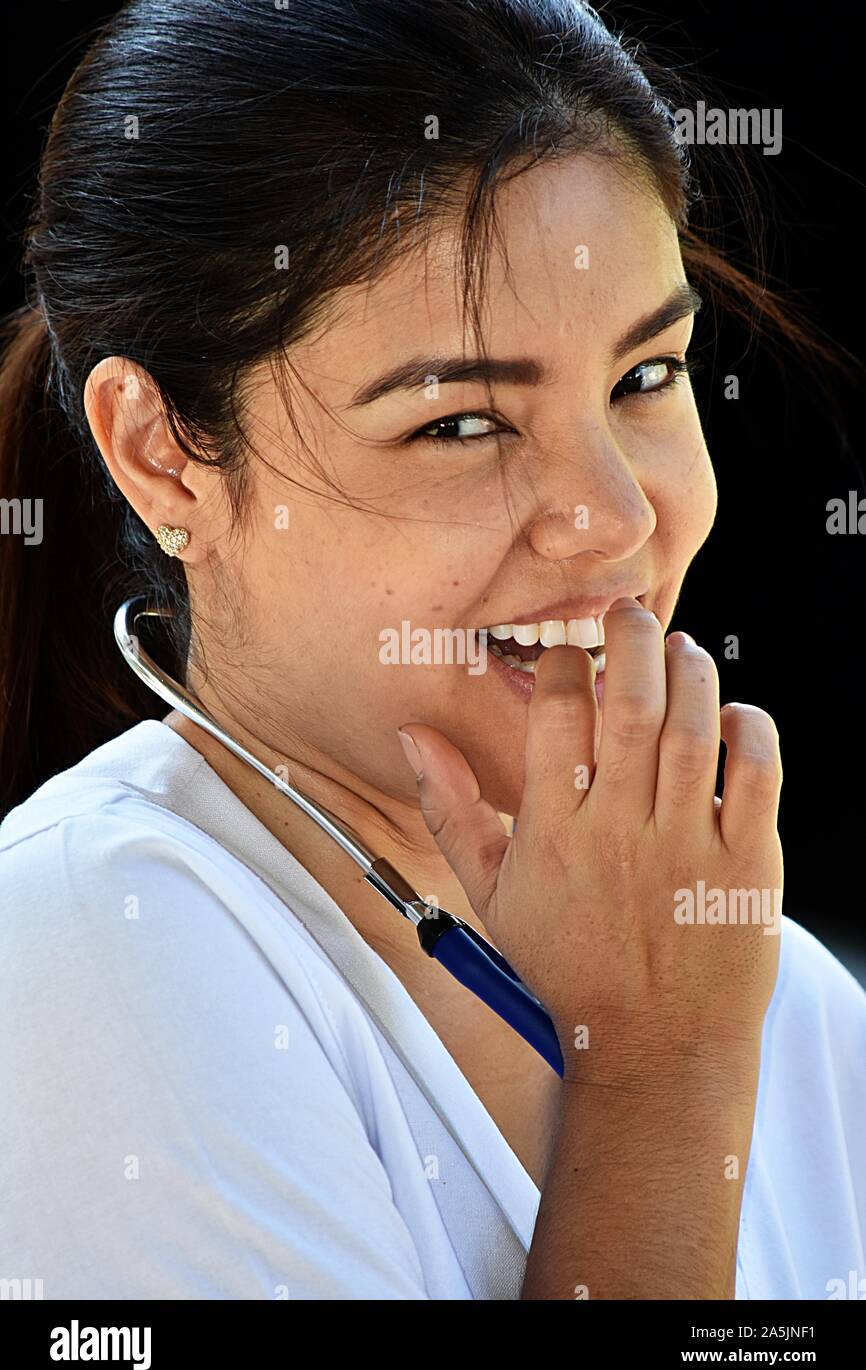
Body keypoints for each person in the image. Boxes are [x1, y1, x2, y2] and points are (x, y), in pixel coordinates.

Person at [0, 0, 863, 1301]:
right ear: (162, 451)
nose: (617, 517)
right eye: (460, 422)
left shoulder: (769, 988)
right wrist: (656, 1089)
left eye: (644, 378)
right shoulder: (79, 947)